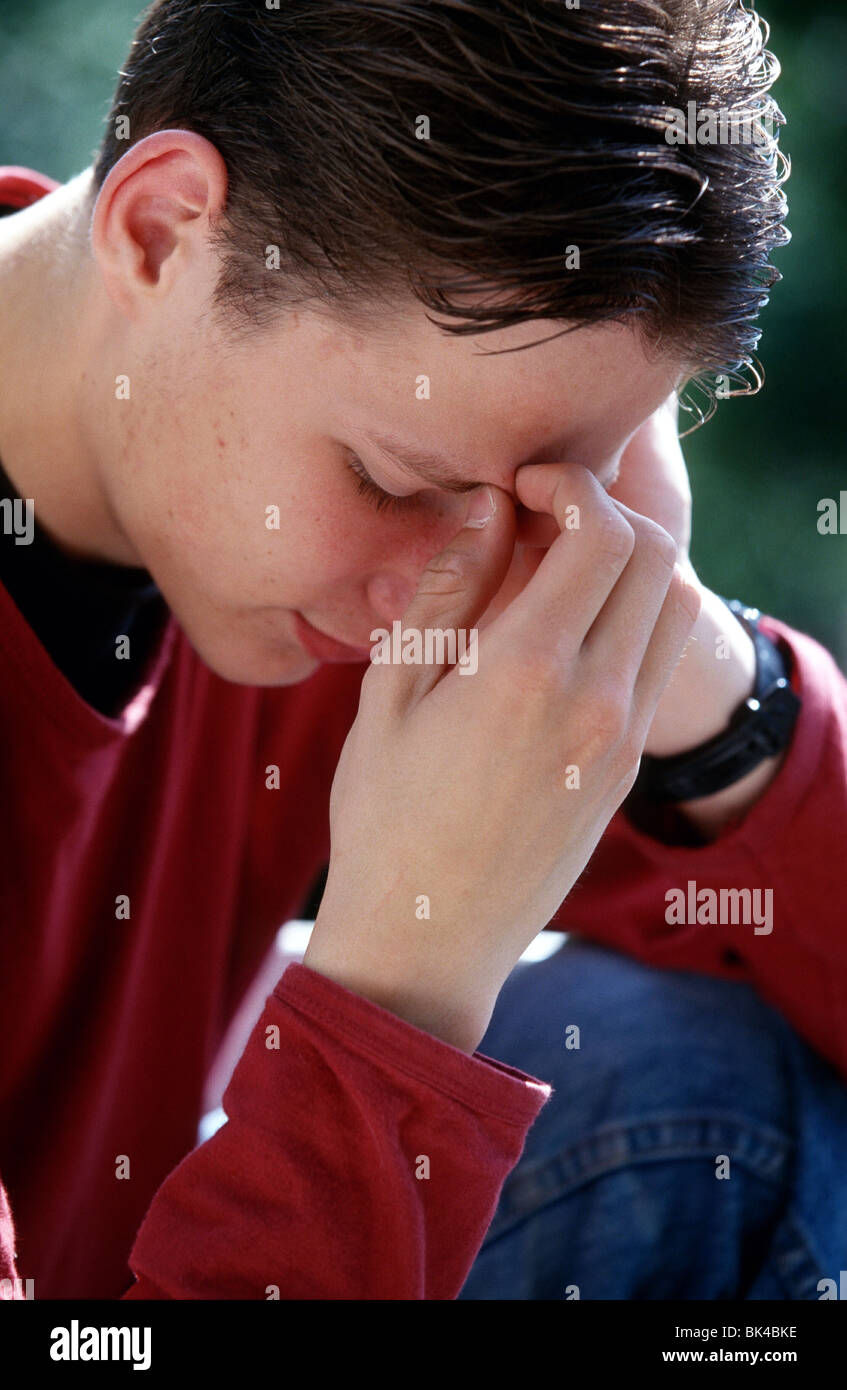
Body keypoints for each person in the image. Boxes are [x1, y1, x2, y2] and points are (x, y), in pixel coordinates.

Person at [0, 1, 843, 1301]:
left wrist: (697, 689)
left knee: (724, 1091)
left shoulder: (343, 537)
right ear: (164, 232)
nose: (433, 602)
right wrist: (402, 996)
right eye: (392, 478)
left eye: (549, 489)